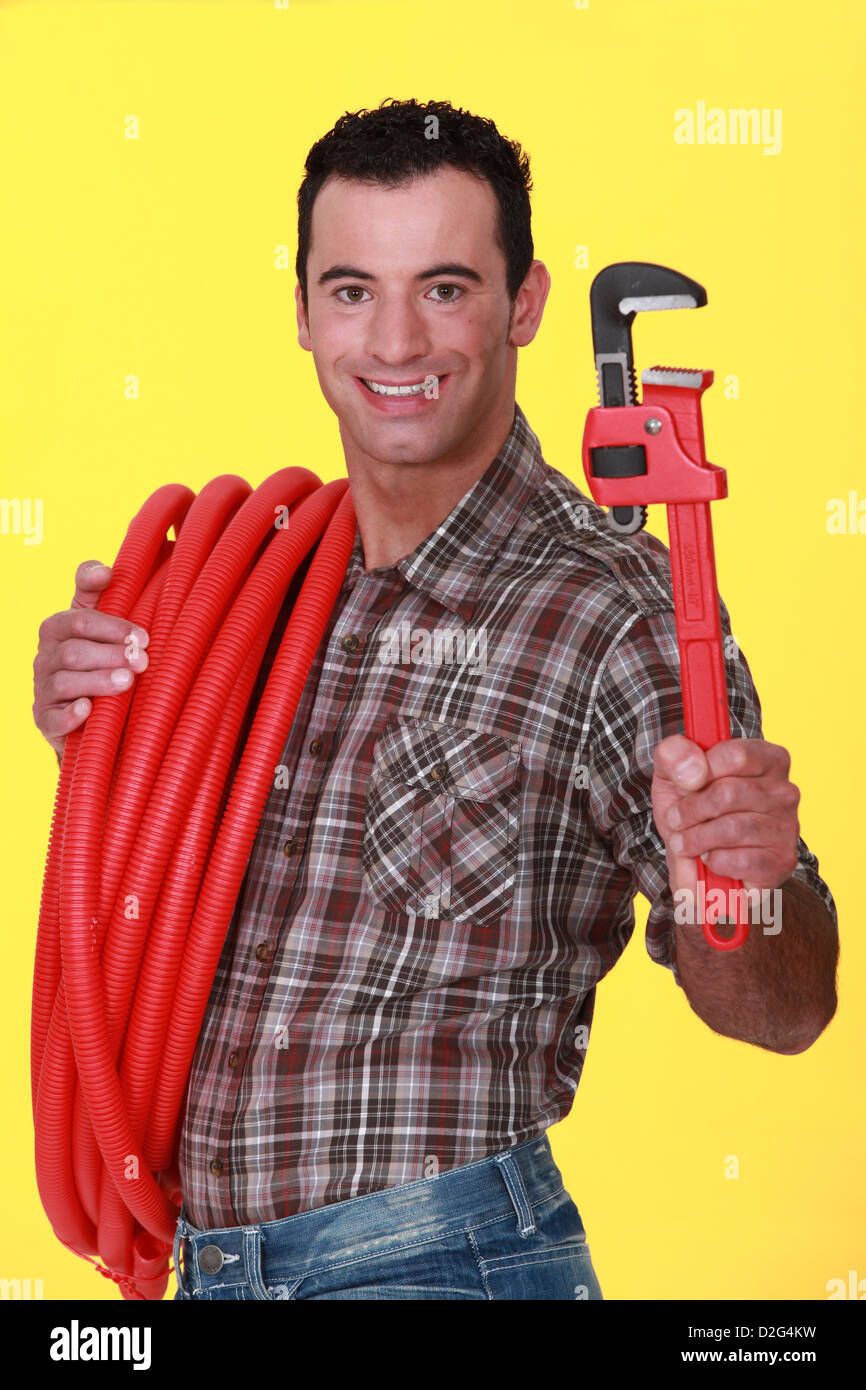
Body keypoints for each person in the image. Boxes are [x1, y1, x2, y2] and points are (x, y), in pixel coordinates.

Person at [32, 98, 839, 1302]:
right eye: (353, 290)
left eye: (445, 288)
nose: (396, 342)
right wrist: (106, 743)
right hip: (207, 1268)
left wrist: (748, 877)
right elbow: (161, 899)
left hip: (436, 1261)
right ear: (303, 312)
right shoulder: (247, 587)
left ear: (523, 305)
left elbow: (784, 1006)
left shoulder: (613, 614)